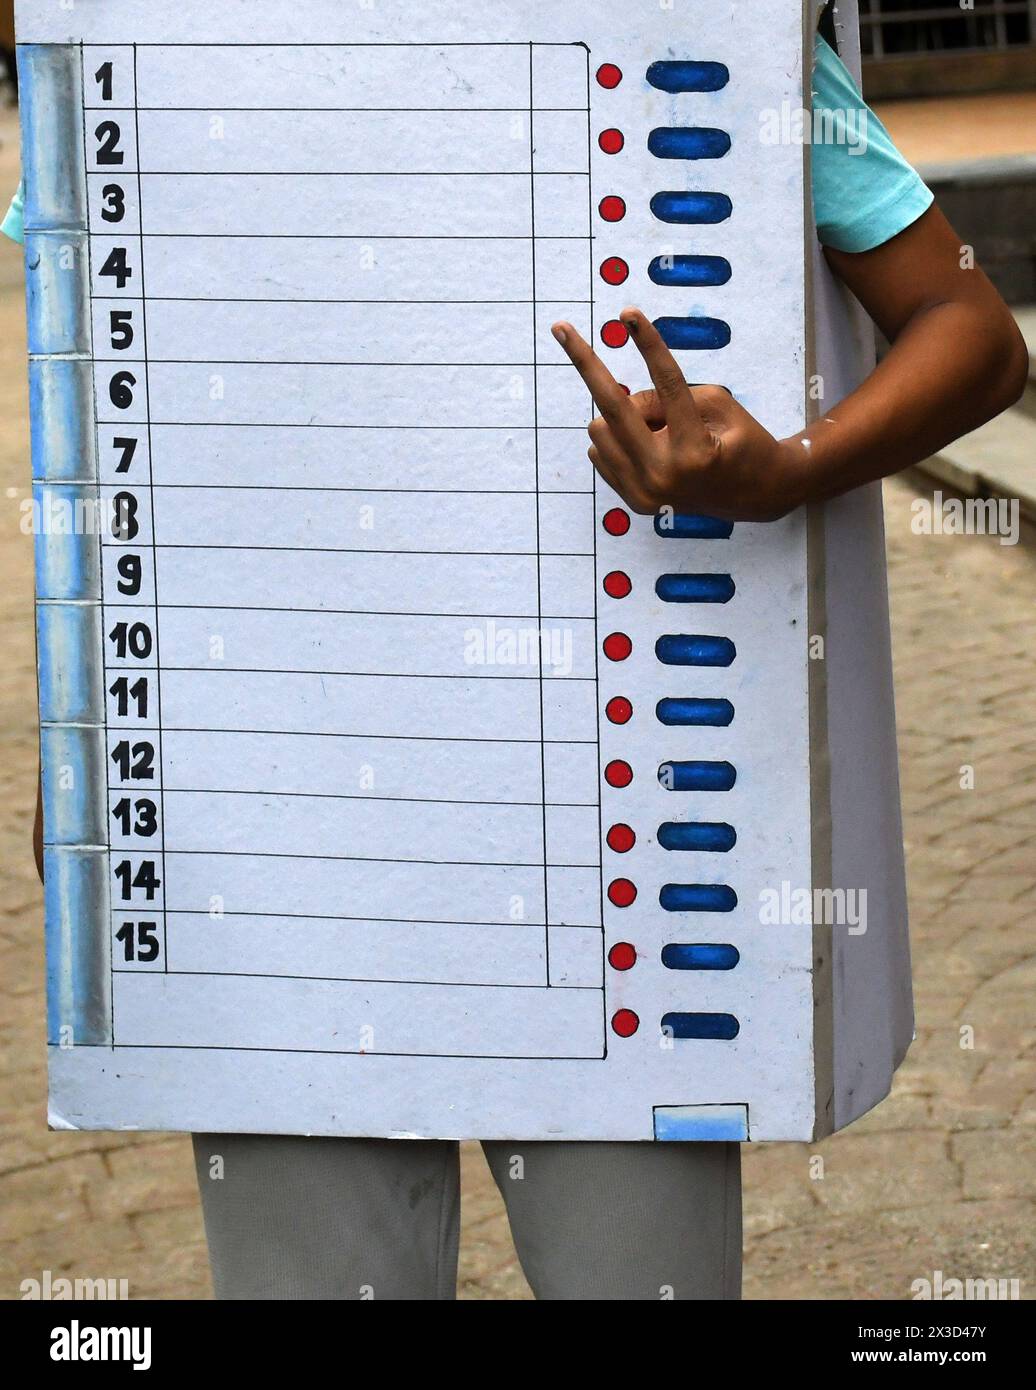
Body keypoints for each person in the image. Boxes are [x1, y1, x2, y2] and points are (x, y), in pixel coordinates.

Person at [6, 20, 1026, 1300]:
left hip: (622, 862)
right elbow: (100, 363)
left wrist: (783, 473)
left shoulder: (691, 33)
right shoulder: (163, 49)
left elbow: (970, 325)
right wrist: (86, 736)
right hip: (271, 866)